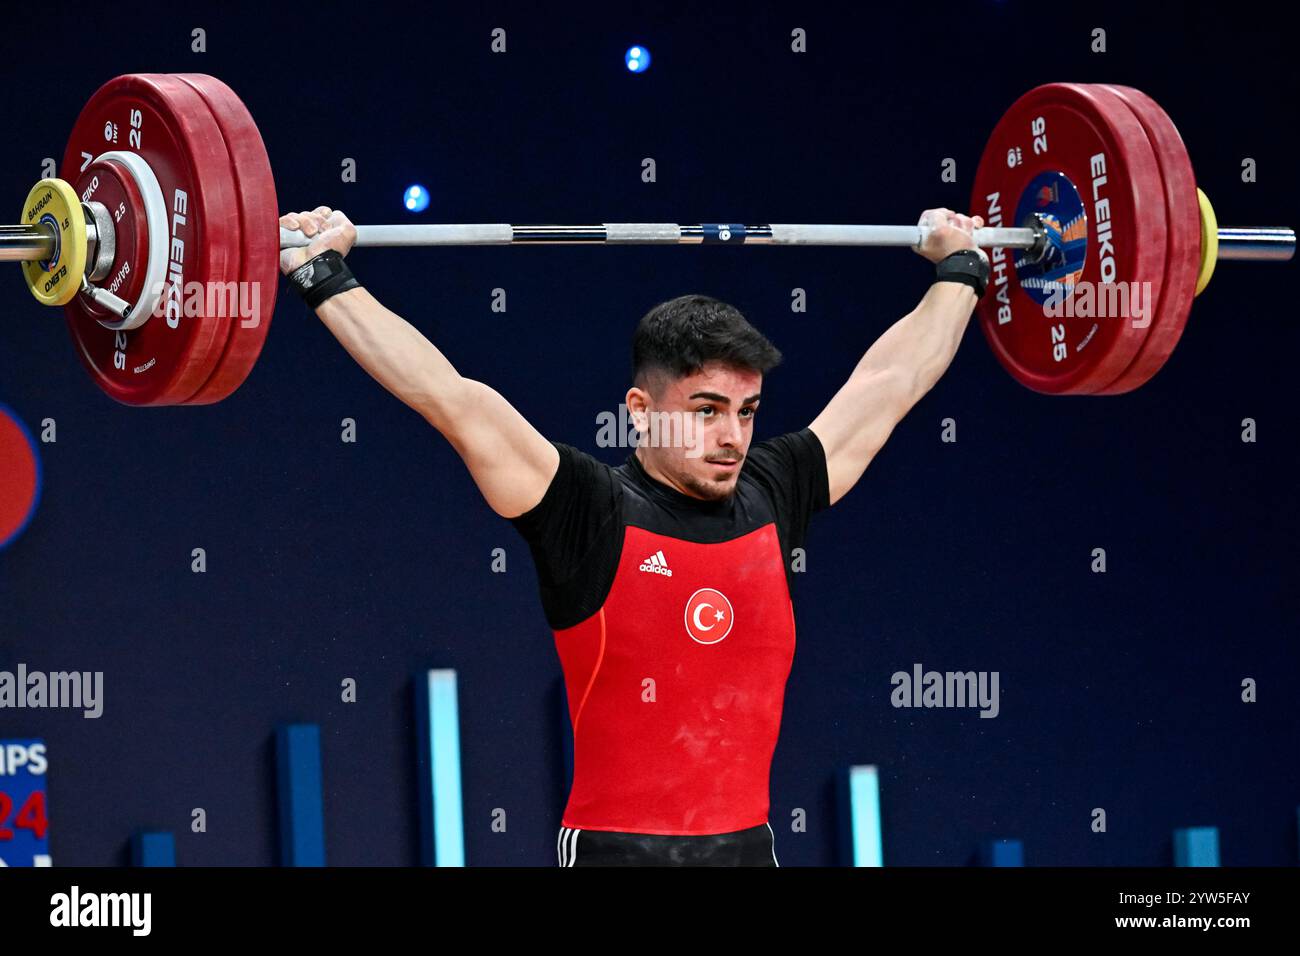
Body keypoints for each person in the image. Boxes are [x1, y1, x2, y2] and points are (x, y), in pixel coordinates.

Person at [279, 206, 990, 866]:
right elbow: (448, 396)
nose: (732, 437)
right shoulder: (586, 508)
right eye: (707, 410)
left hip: (750, 849)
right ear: (641, 412)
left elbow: (892, 382)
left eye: (747, 412)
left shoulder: (776, 489)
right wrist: (323, 273)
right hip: (617, 855)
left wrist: (959, 268)